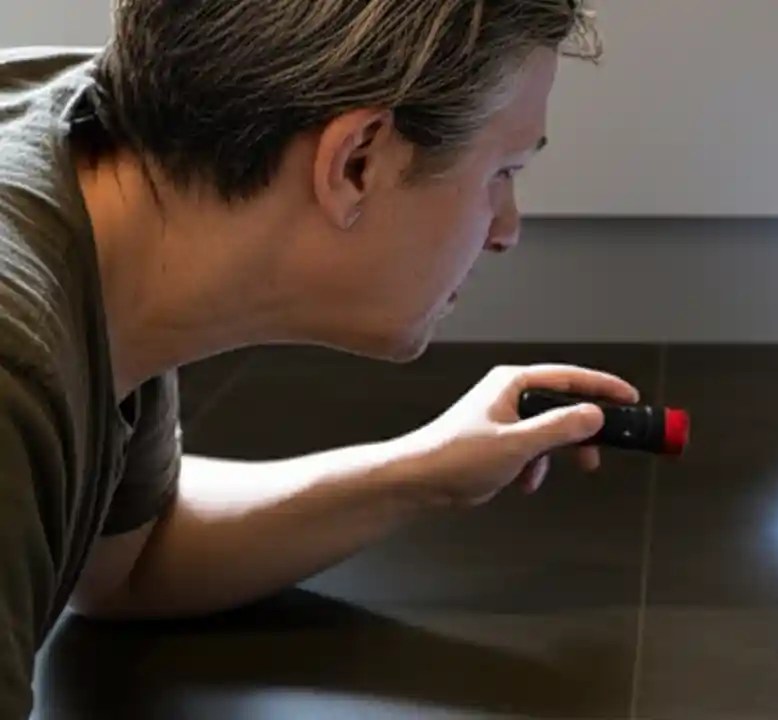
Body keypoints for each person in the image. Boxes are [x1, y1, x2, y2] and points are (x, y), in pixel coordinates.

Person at [0, 1, 635, 715]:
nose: (507, 229)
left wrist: (424, 471)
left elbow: (125, 561)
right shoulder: (12, 367)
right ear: (357, 161)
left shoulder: (101, 153)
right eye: (503, 171)